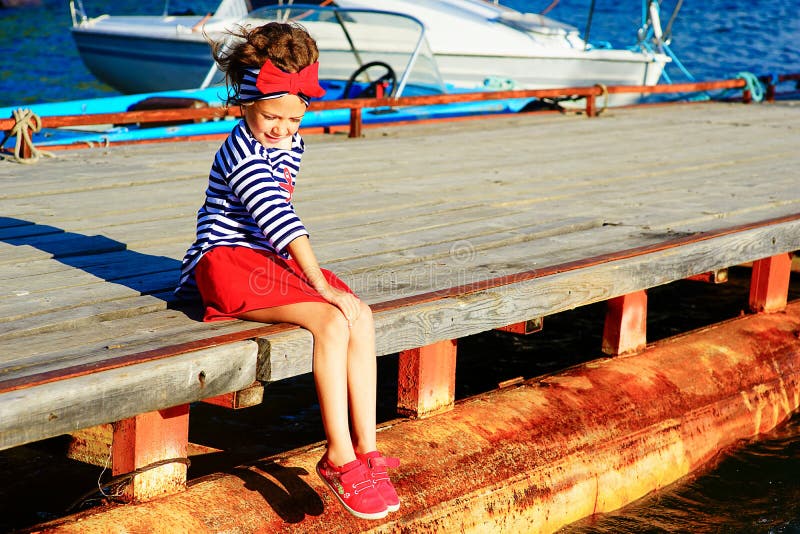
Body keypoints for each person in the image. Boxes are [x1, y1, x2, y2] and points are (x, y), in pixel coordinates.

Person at [175, 22, 399, 520]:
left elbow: (280, 227)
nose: (280, 129)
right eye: (270, 116)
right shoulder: (241, 151)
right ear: (247, 103)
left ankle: (368, 447)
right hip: (225, 263)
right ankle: (338, 455)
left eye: (292, 120)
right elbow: (279, 218)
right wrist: (320, 287)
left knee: (360, 313)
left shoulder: (289, 142)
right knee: (331, 319)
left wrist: (330, 288)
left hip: (263, 258)